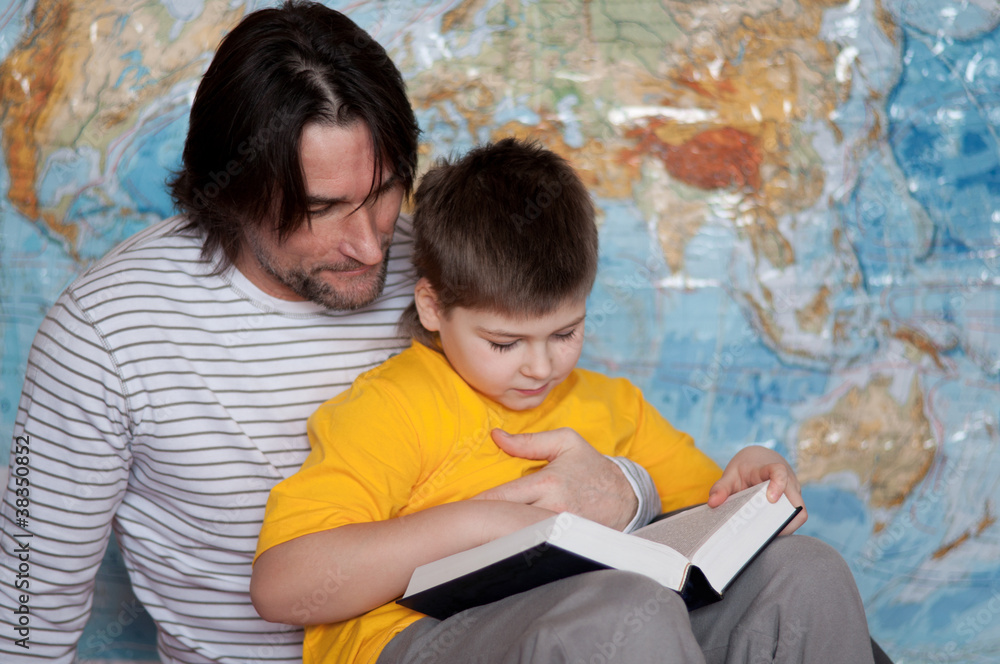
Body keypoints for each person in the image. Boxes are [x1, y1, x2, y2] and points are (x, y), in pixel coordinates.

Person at [0, 4, 658, 662]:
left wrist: (627, 486)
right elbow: (27, 600)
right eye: (321, 209)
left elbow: (567, 409)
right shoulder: (102, 333)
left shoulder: (445, 261)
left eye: (385, 191)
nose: (372, 247)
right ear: (227, 192)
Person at [250, 138, 875, 664]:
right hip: (416, 639)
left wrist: (755, 491)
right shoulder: (391, 408)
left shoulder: (610, 405)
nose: (542, 366)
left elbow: (705, 526)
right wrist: (477, 523)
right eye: (505, 342)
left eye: (565, 333)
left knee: (806, 573)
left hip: (614, 620)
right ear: (433, 307)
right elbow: (284, 588)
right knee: (623, 613)